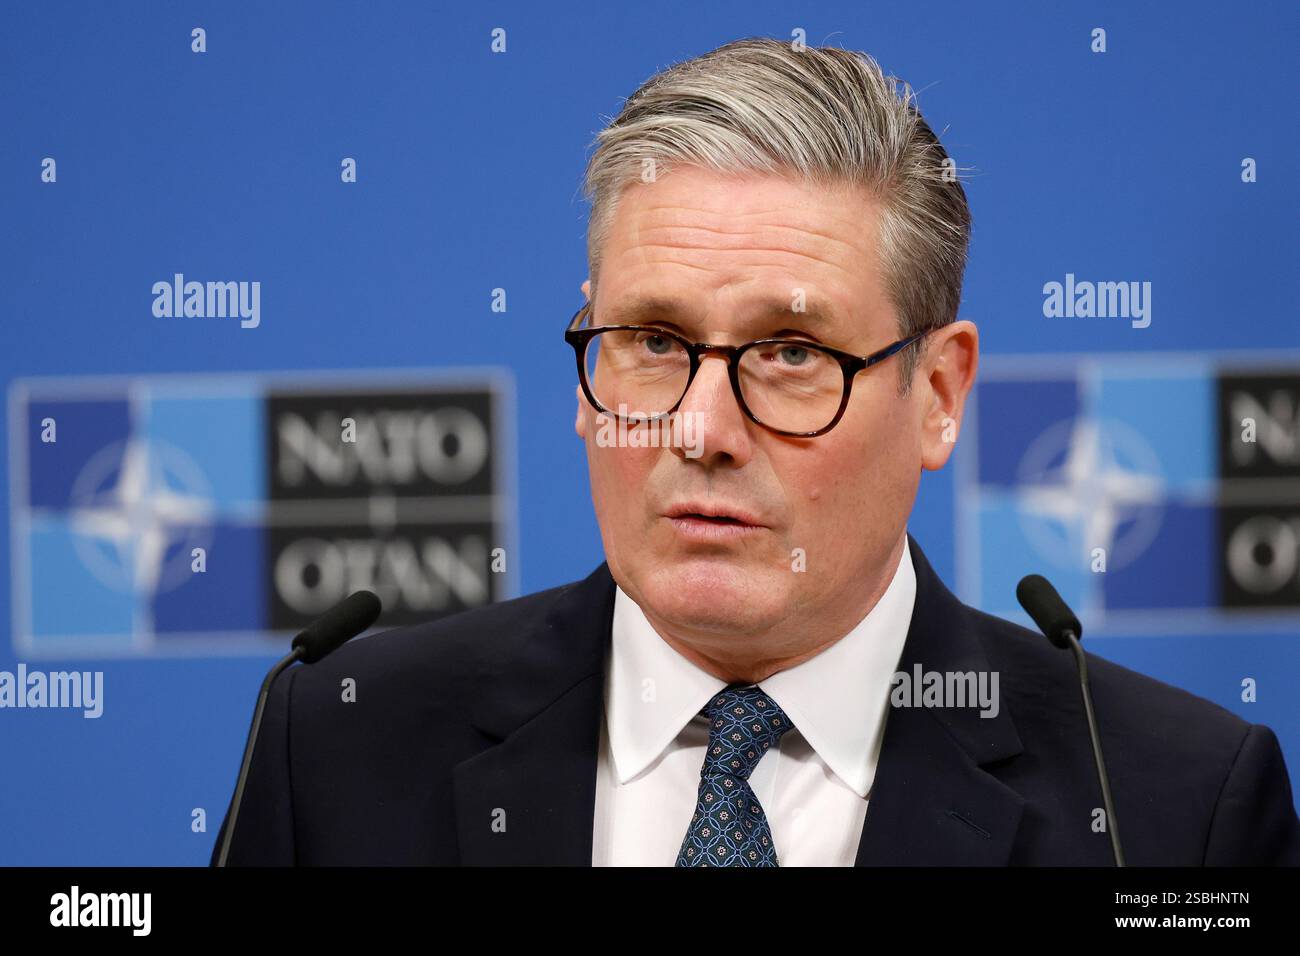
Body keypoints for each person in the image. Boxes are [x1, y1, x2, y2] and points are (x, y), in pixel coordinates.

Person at [212, 37, 1300, 866]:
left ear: (937, 393)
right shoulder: (339, 744)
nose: (701, 430)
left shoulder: (1168, 807)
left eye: (790, 352)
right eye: (652, 342)